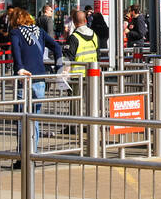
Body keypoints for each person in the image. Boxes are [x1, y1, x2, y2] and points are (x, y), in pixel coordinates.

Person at [9, 9, 63, 155]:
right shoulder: (39, 31)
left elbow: (16, 51)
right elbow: (57, 47)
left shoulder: (15, 32)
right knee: (35, 117)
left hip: (24, 78)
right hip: (40, 78)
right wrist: (59, 67)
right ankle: (33, 153)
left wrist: (20, 67)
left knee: (21, 118)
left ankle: (23, 155)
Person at [63, 9, 99, 76]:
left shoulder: (73, 37)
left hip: (78, 77)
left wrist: (64, 73)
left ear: (73, 22)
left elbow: (68, 58)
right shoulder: (94, 35)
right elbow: (98, 54)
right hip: (93, 74)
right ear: (85, 20)